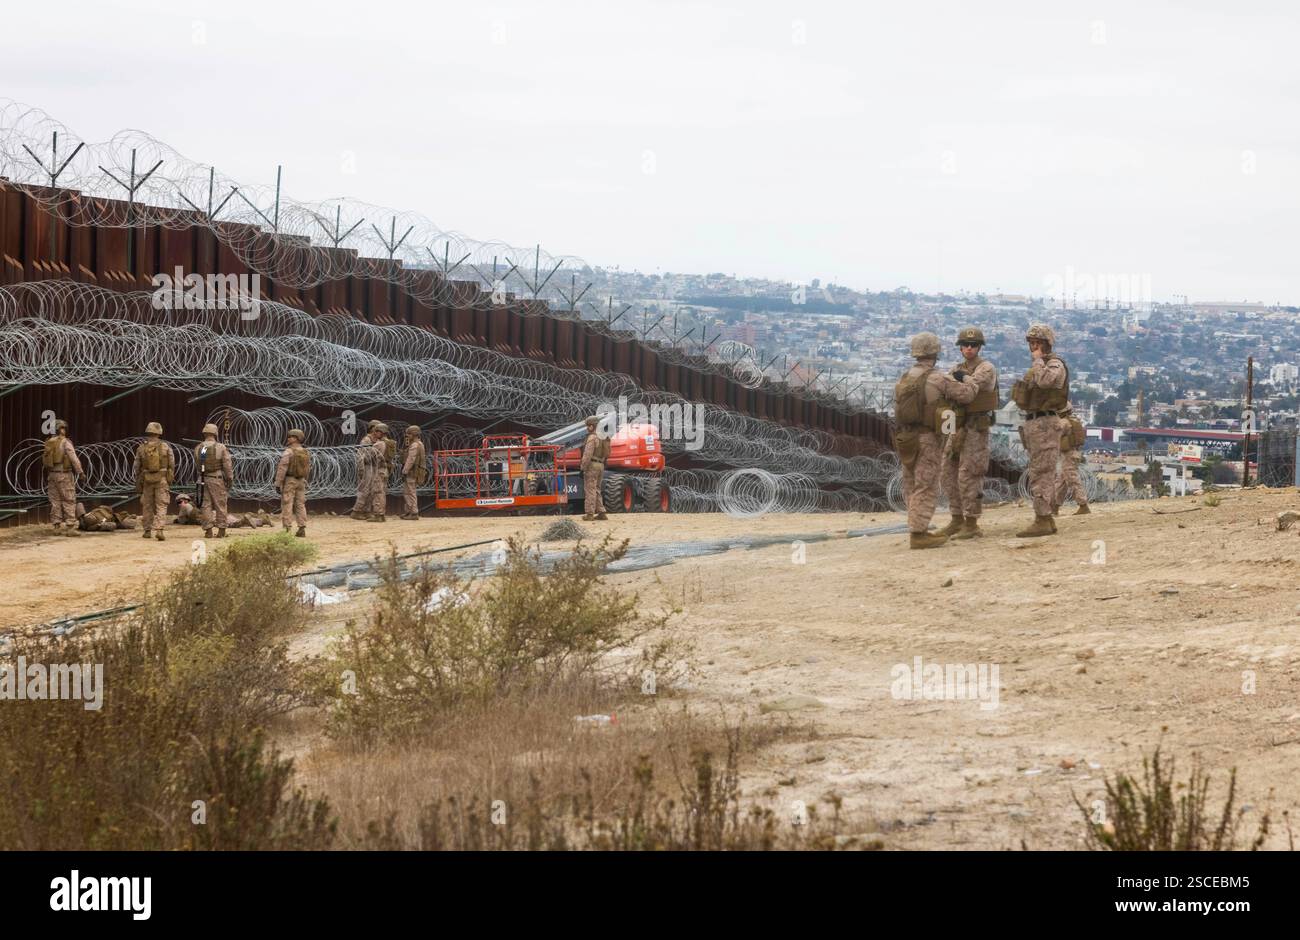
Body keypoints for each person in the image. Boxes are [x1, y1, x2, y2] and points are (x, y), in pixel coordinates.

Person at [893, 332, 979, 549]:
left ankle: (916, 526)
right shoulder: (938, 378)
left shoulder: (904, 377)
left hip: (905, 437)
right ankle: (919, 534)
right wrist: (967, 378)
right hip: (927, 438)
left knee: (911, 483)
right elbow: (968, 394)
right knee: (927, 485)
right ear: (934, 352)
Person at [939, 328, 999, 540]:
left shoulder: (986, 368)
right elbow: (945, 389)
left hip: (976, 427)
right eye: (965, 345)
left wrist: (962, 380)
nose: (969, 348)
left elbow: (967, 393)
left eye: (973, 345)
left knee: (969, 473)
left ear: (979, 347)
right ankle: (957, 518)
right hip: (958, 425)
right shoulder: (956, 368)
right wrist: (961, 381)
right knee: (948, 470)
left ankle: (971, 522)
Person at [1011, 324, 1069, 537]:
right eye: (1031, 343)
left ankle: (1042, 519)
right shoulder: (1040, 364)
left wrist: (1037, 361)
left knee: (1041, 472)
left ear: (1046, 343)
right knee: (1039, 470)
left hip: (1045, 424)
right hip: (1035, 423)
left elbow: (1046, 382)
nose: (1033, 347)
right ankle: (1047, 519)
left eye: (1037, 343)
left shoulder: (1054, 364)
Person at [133, 422, 175, 541]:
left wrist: (139, 478)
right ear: (159, 433)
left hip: (147, 479)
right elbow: (172, 463)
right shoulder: (165, 447)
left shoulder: (141, 448)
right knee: (161, 505)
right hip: (162, 479)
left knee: (147, 505)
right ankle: (159, 529)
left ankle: (147, 530)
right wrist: (169, 476)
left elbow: (136, 466)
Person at [42, 418, 83, 537]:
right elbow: (73, 458)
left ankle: (56, 527)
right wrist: (80, 472)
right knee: (69, 499)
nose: (64, 430)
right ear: (60, 429)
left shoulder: (48, 442)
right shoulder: (65, 442)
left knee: (55, 501)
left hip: (52, 475)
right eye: (63, 428)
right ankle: (70, 527)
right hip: (64, 474)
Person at [194, 423, 233, 538]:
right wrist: (230, 478)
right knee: (220, 504)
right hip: (216, 479)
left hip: (202, 478)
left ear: (204, 433)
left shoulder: (198, 448)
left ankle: (208, 530)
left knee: (205, 505)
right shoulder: (220, 447)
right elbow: (227, 465)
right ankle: (221, 530)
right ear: (215, 433)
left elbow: (197, 465)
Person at [1054, 406, 1090, 515]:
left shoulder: (1064, 422)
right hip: (1073, 453)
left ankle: (1083, 505)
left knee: (1072, 480)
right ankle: (1054, 507)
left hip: (1067, 455)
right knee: (1061, 482)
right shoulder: (1073, 421)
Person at [275, 428, 311, 537]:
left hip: (290, 480)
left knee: (287, 504)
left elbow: (282, 468)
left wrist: (277, 483)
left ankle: (287, 528)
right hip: (301, 481)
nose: (288, 438)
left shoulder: (288, 451)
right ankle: (302, 528)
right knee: (300, 504)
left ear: (296, 439)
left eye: (291, 437)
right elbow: (308, 468)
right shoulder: (305, 451)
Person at [350, 419, 382, 520]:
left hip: (374, 467)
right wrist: (361, 469)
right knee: (364, 490)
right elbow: (361, 455)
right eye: (378, 429)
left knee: (372, 490)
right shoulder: (366, 440)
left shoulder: (377, 441)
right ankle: (356, 511)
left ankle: (367, 510)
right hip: (366, 467)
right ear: (373, 429)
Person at [580, 415, 610, 521]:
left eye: (588, 426)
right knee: (597, 489)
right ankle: (601, 512)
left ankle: (589, 514)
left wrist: (582, 468)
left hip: (592, 465)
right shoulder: (603, 436)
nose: (587, 428)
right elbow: (607, 453)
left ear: (593, 426)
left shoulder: (592, 437)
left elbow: (587, 454)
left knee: (590, 489)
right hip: (601, 465)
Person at [400, 425, 426, 520]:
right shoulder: (419, 444)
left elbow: (411, 459)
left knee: (410, 492)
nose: (407, 436)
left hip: (411, 471)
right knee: (407, 492)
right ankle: (409, 511)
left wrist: (404, 471)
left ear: (414, 434)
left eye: (409, 434)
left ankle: (414, 512)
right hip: (413, 471)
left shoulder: (415, 445)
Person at [365, 423, 390, 522]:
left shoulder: (379, 444)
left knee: (377, 492)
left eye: (376, 431)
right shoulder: (389, 443)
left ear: (381, 432)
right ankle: (381, 514)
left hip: (378, 470)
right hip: (384, 470)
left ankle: (378, 515)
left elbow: (368, 457)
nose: (374, 433)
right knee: (382, 492)